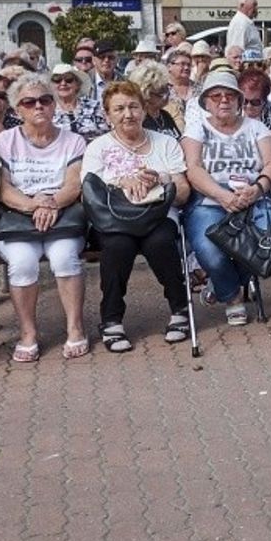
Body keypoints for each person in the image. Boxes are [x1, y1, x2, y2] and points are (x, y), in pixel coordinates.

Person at [81, 81, 193, 352]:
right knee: (117, 246)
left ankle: (180, 310)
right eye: (119, 109)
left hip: (158, 215)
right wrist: (120, 181)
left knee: (160, 242)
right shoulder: (97, 147)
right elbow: (89, 194)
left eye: (133, 106)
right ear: (107, 115)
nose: (127, 114)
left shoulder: (165, 143)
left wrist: (160, 179)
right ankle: (111, 320)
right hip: (114, 218)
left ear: (144, 110)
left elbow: (183, 194)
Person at [0, 74, 93, 361]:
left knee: (64, 258)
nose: (38, 106)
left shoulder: (73, 141)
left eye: (45, 100)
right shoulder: (5, 140)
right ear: (17, 109)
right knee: (23, 263)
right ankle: (28, 333)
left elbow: (74, 185)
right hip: (19, 215)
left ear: (54, 105)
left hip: (61, 214)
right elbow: (3, 188)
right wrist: (31, 205)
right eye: (29, 102)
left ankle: (75, 328)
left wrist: (50, 204)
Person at [181, 70, 271, 328]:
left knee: (263, 244)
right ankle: (232, 295)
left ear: (239, 100)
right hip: (209, 198)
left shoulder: (257, 128)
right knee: (210, 253)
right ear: (206, 102)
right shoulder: (196, 130)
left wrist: (257, 190)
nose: (223, 100)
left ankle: (220, 283)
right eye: (216, 96)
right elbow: (193, 169)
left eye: (229, 96)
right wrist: (222, 195)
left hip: (254, 195)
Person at [124, 60, 181, 140]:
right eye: (161, 92)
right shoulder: (138, 120)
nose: (166, 94)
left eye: (167, 88)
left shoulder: (165, 116)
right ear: (146, 93)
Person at [50, 62, 108, 141]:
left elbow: (105, 134)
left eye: (68, 79)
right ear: (52, 85)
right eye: (57, 80)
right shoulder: (48, 110)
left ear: (77, 84)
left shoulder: (94, 106)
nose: (63, 83)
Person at [237, 68, 271, 134]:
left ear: (265, 99)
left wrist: (263, 137)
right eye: (244, 101)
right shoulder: (235, 110)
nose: (249, 106)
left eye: (255, 102)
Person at [165, 44, 197, 131]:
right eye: (182, 64)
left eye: (189, 65)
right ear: (169, 67)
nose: (186, 68)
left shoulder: (199, 88)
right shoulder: (162, 90)